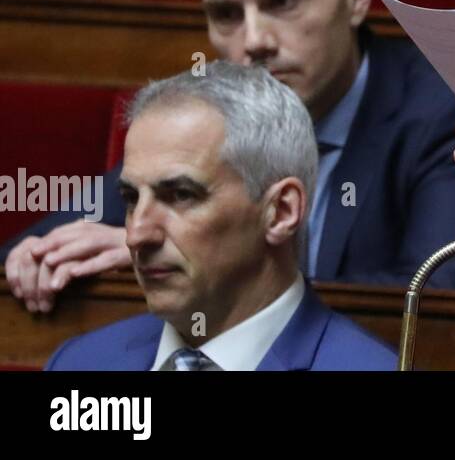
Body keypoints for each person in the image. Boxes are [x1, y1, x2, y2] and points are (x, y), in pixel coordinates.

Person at [5, 0, 455, 310]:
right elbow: (36, 247)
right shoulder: (207, 117)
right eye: (227, 14)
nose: (255, 40)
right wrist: (35, 258)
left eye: (282, 1)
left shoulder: (443, 113)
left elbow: (431, 298)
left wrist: (203, 272)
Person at [47, 62, 395, 370]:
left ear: (281, 212)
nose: (137, 234)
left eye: (181, 195)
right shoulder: (80, 362)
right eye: (130, 198)